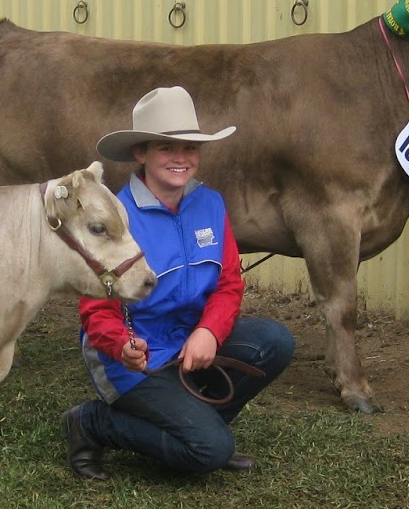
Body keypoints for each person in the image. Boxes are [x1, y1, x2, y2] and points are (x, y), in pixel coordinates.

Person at [62, 86, 295, 479]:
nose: (181, 158)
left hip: (189, 344)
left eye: (190, 148)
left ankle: (200, 426)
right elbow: (96, 311)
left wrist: (209, 331)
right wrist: (122, 347)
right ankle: (92, 423)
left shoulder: (211, 204)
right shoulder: (116, 218)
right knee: (209, 452)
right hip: (136, 359)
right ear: (142, 153)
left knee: (275, 342)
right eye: (167, 148)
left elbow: (228, 284)